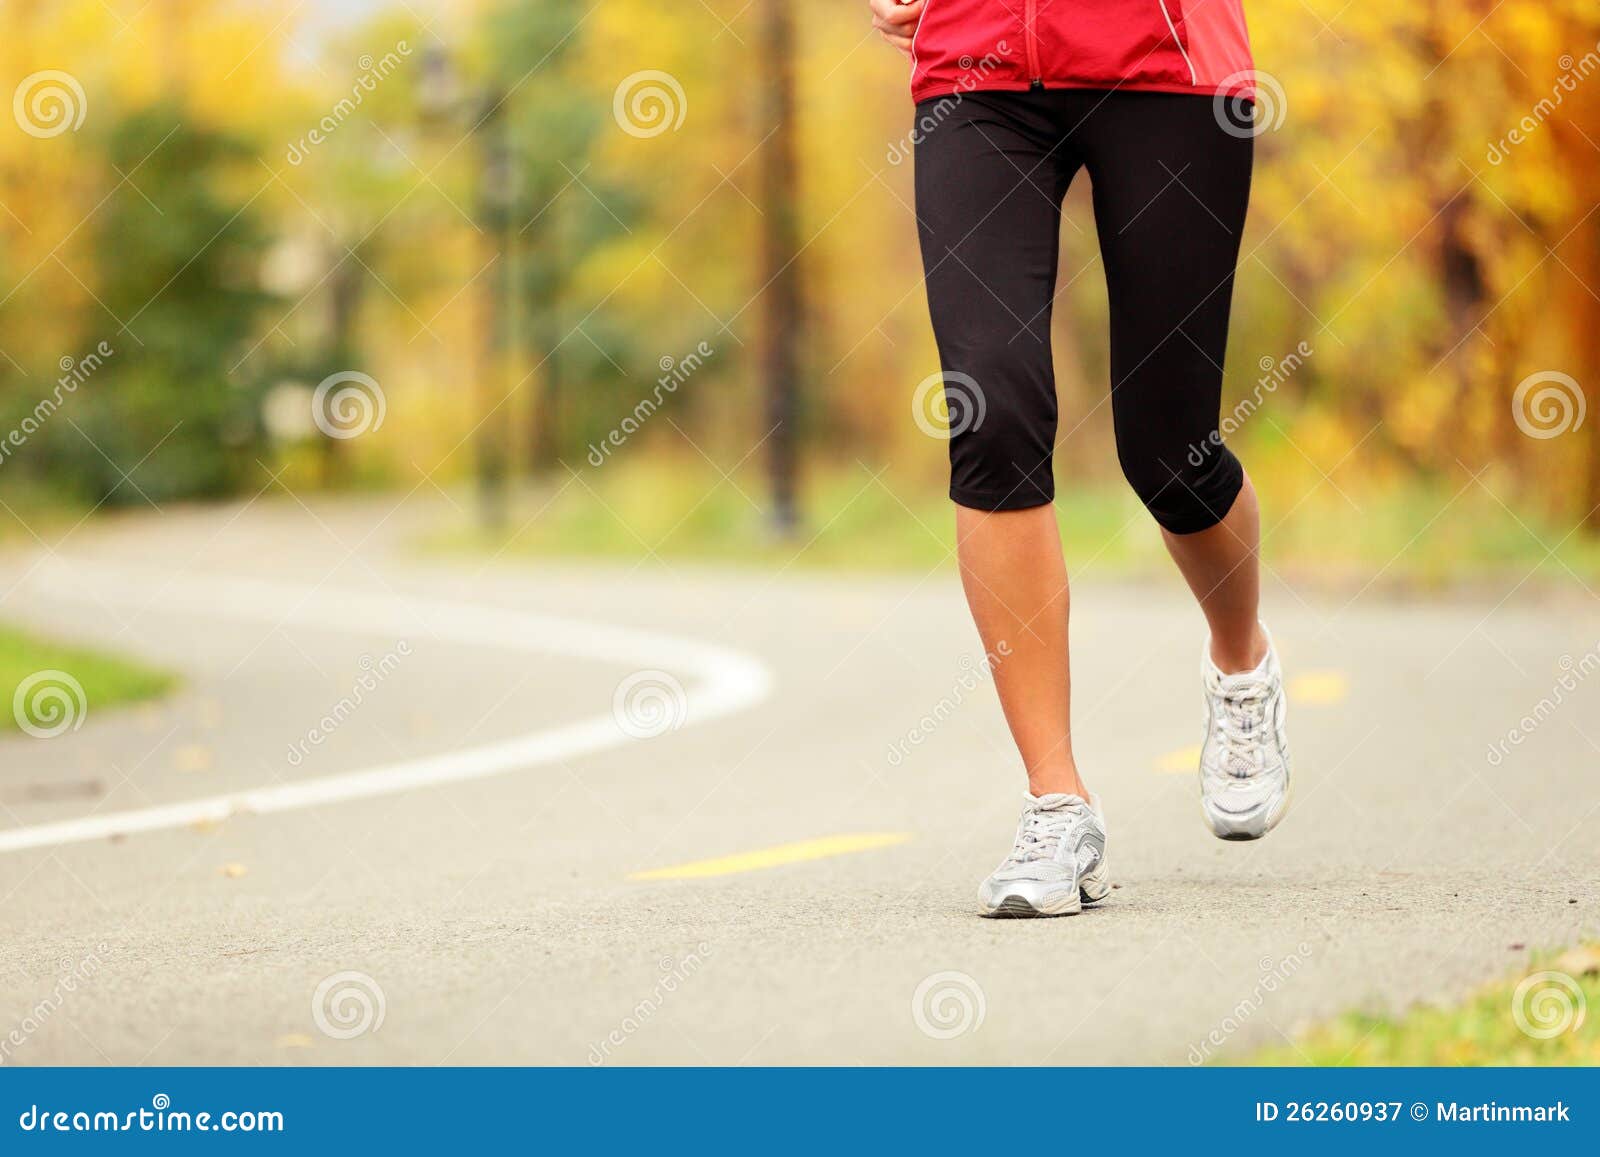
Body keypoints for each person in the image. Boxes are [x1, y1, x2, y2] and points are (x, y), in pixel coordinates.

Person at [868, 0, 1292, 917]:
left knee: (1168, 449)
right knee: (991, 412)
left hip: (1166, 63)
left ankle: (1241, 664)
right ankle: (1058, 804)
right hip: (976, 64)